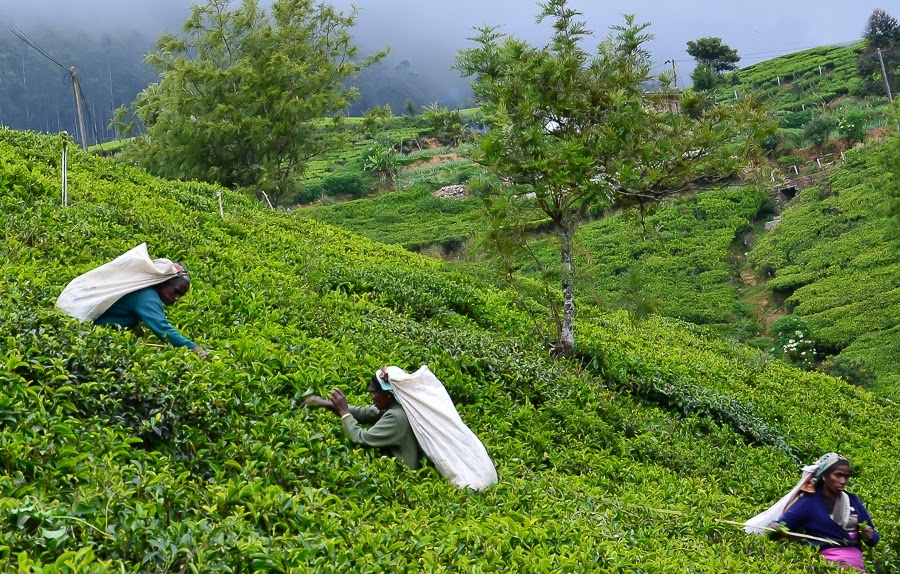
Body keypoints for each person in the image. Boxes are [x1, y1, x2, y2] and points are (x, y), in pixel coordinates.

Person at [770, 453, 879, 572]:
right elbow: (783, 525)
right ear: (824, 476)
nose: (843, 481)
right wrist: (776, 528)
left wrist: (870, 535)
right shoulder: (809, 502)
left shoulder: (853, 500)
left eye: (846, 477)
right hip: (827, 567)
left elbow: (874, 538)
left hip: (856, 567)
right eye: (838, 475)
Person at [302, 367, 421, 469]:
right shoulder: (395, 406)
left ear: (388, 394)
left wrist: (344, 412)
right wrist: (326, 404)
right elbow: (363, 413)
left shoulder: (396, 417)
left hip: (401, 476)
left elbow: (361, 439)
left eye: (374, 393)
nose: (372, 398)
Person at [94, 270, 210, 359]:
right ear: (163, 284)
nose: (176, 298)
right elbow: (162, 328)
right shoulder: (147, 297)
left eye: (181, 295)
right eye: (175, 291)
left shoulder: (147, 292)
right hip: (100, 337)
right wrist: (194, 348)